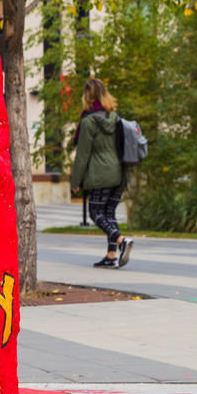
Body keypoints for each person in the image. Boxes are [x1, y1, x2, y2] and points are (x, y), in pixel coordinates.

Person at [69, 78, 133, 269]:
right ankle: (111, 255)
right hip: (119, 173)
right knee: (109, 213)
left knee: (95, 213)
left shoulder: (89, 121)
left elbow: (82, 154)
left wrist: (75, 181)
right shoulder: (114, 117)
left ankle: (122, 241)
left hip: (100, 174)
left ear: (88, 96)